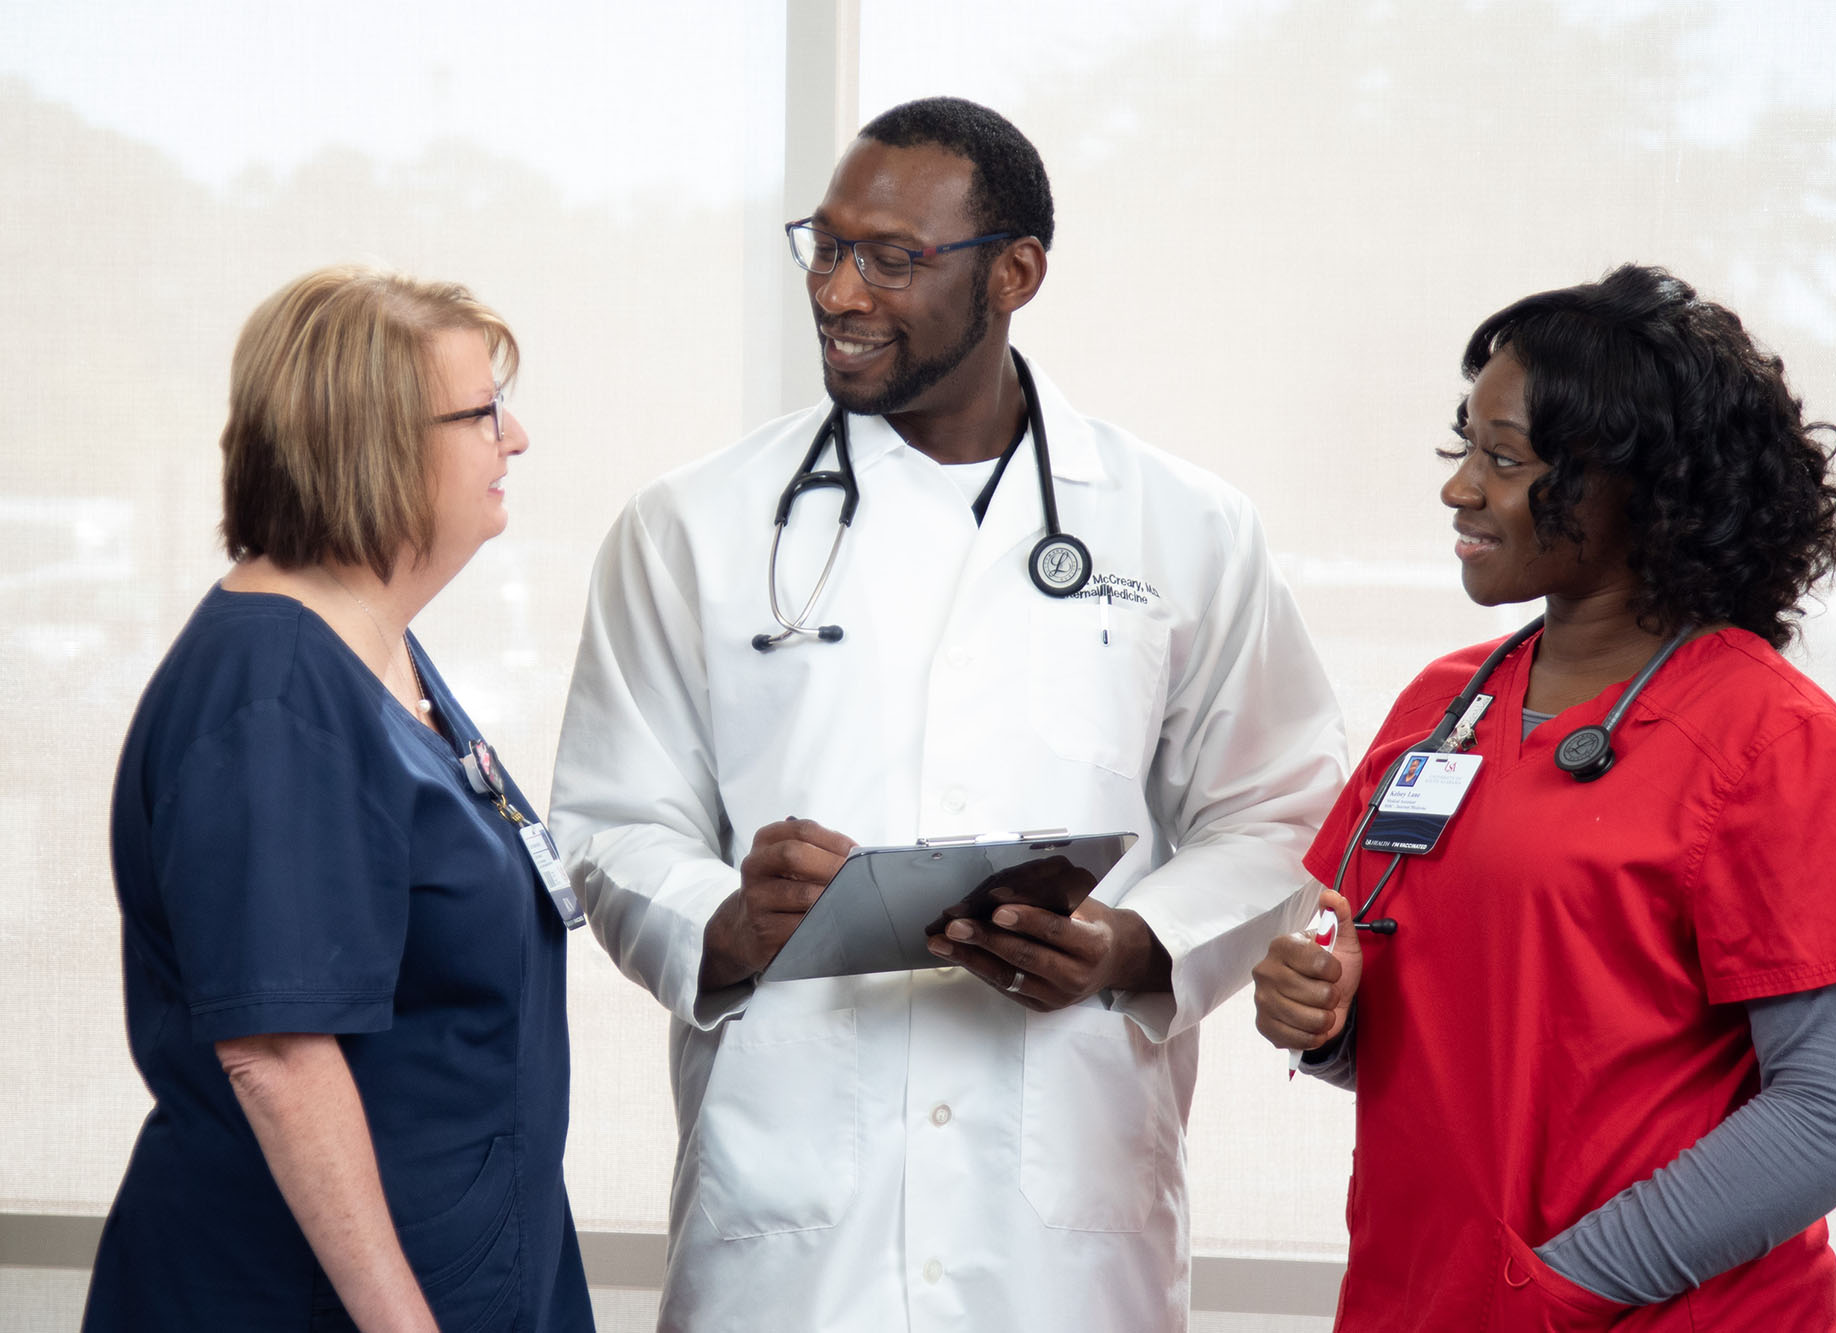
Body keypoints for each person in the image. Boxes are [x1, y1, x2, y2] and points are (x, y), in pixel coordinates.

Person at [551, 96, 1346, 1333]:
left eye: (891, 258)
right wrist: (726, 918)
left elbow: (1282, 805)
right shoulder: (692, 525)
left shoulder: (1180, 524)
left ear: (1015, 273)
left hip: (1060, 1225)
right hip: (792, 1222)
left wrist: (1133, 947)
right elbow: (608, 813)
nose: (838, 293)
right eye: (824, 247)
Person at [1252, 264, 1836, 1330]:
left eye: (1504, 458)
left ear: (1643, 487)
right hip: (1426, 1300)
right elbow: (1454, 1037)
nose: (1458, 488)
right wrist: (1320, 1019)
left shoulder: (1774, 742)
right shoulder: (1444, 706)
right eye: (1463, 448)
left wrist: (1563, 1286)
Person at [85, 265, 594, 1332]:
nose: (517, 438)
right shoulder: (271, 692)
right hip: (317, 1298)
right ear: (374, 442)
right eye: (484, 411)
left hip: (462, 1261)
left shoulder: (377, 651)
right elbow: (275, 1050)